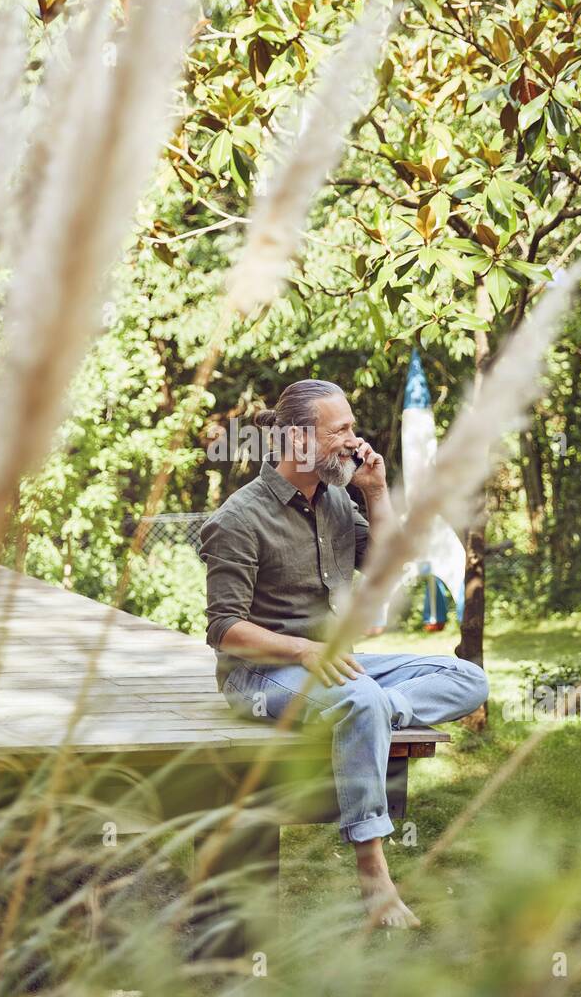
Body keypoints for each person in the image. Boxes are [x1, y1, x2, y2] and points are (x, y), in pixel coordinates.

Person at [198, 379, 488, 929]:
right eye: (344, 430)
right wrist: (304, 650)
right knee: (357, 700)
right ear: (300, 440)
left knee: (465, 678)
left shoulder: (334, 500)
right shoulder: (239, 518)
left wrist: (377, 493)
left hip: (336, 666)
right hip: (260, 677)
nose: (357, 441)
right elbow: (224, 630)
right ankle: (373, 875)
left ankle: (376, 707)